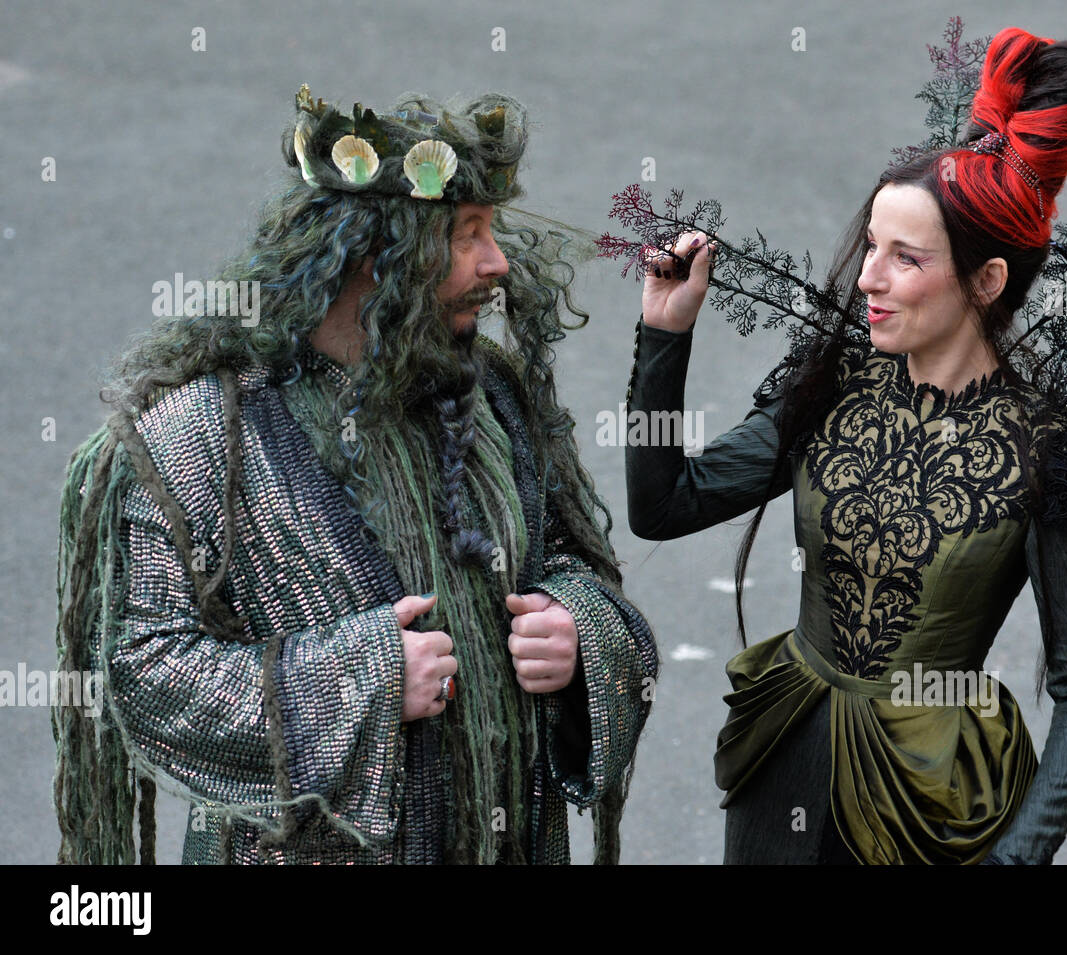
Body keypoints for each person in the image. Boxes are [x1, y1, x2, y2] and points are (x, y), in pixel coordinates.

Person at [52, 85, 657, 865]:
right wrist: (359, 680)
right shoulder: (204, 433)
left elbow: (573, 558)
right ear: (376, 258)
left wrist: (576, 628)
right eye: (468, 233)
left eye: (493, 230)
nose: (497, 261)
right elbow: (145, 671)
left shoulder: (490, 391)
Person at [625, 28, 1067, 863]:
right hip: (784, 763)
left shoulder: (1055, 455)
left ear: (985, 281)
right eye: (872, 245)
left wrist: (1021, 854)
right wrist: (664, 338)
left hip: (930, 801)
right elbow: (664, 506)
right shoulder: (834, 388)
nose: (867, 276)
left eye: (905, 258)